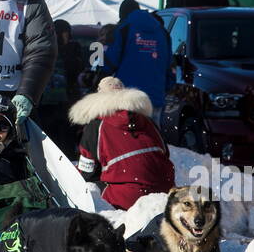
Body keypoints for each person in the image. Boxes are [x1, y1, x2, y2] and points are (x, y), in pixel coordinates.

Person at [70, 75, 175, 209]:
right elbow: (164, 153)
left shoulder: (96, 126)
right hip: (165, 192)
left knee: (91, 189)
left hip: (128, 198)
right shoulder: (148, 121)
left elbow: (87, 172)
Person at [101, 0, 172, 124]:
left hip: (128, 98)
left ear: (124, 15)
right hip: (155, 97)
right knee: (152, 137)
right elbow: (169, 65)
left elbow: (111, 62)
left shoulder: (124, 29)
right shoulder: (162, 31)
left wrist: (100, 71)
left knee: (128, 139)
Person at [36, 19, 85, 154]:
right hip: (59, 105)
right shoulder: (67, 49)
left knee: (54, 142)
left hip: (49, 104)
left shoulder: (43, 46)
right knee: (62, 142)